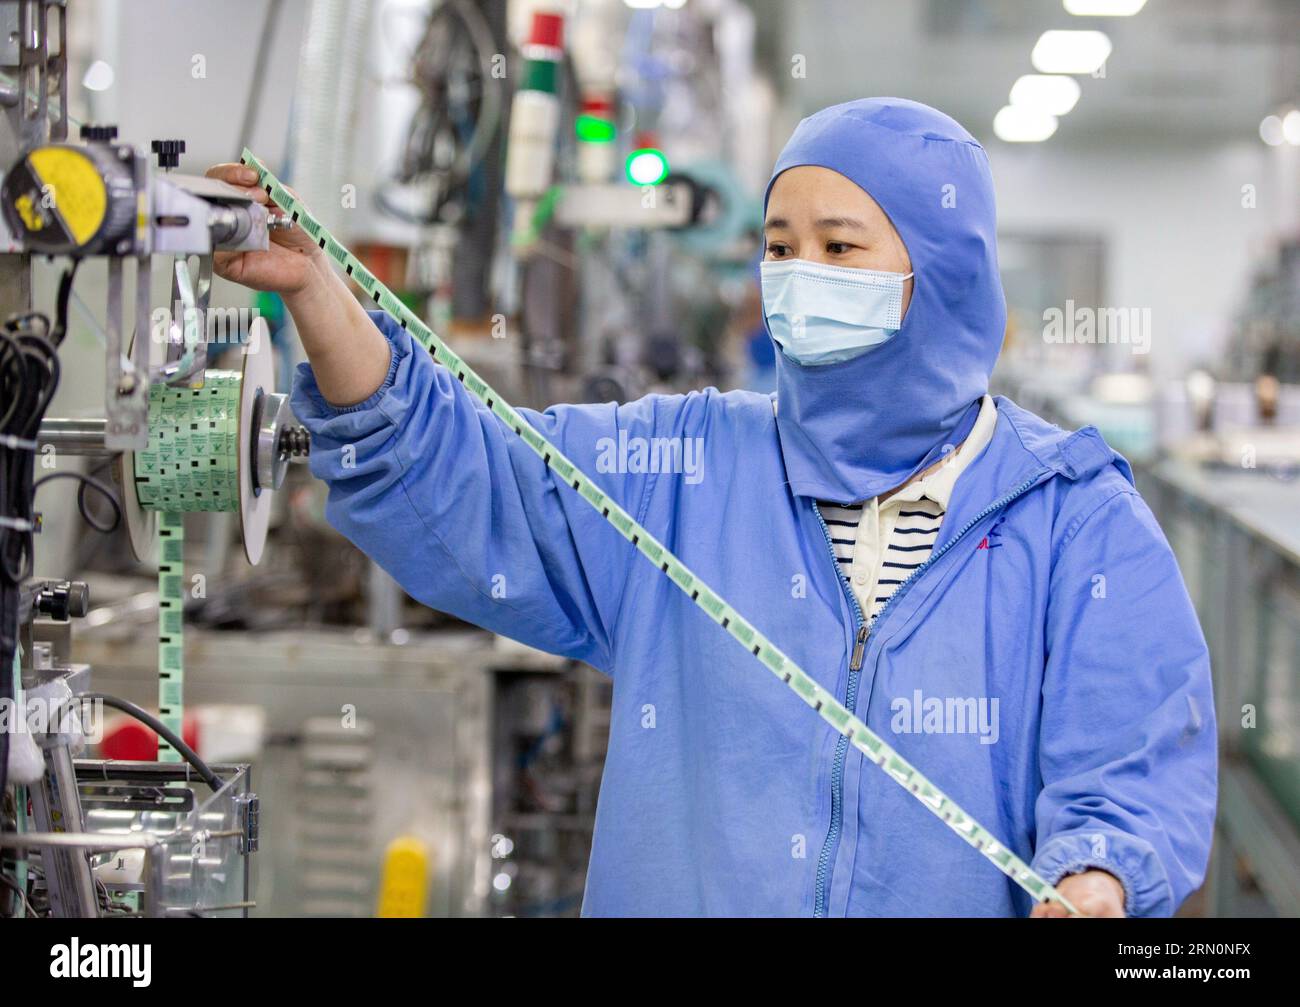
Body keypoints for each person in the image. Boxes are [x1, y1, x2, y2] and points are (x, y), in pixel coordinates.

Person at [207, 97, 1216, 918]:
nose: (797, 274)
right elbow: (463, 470)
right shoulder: (683, 464)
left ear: (941, 271)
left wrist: (1095, 879)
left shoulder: (1074, 518)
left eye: (840, 244)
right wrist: (320, 296)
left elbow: (1129, 765)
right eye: (780, 244)